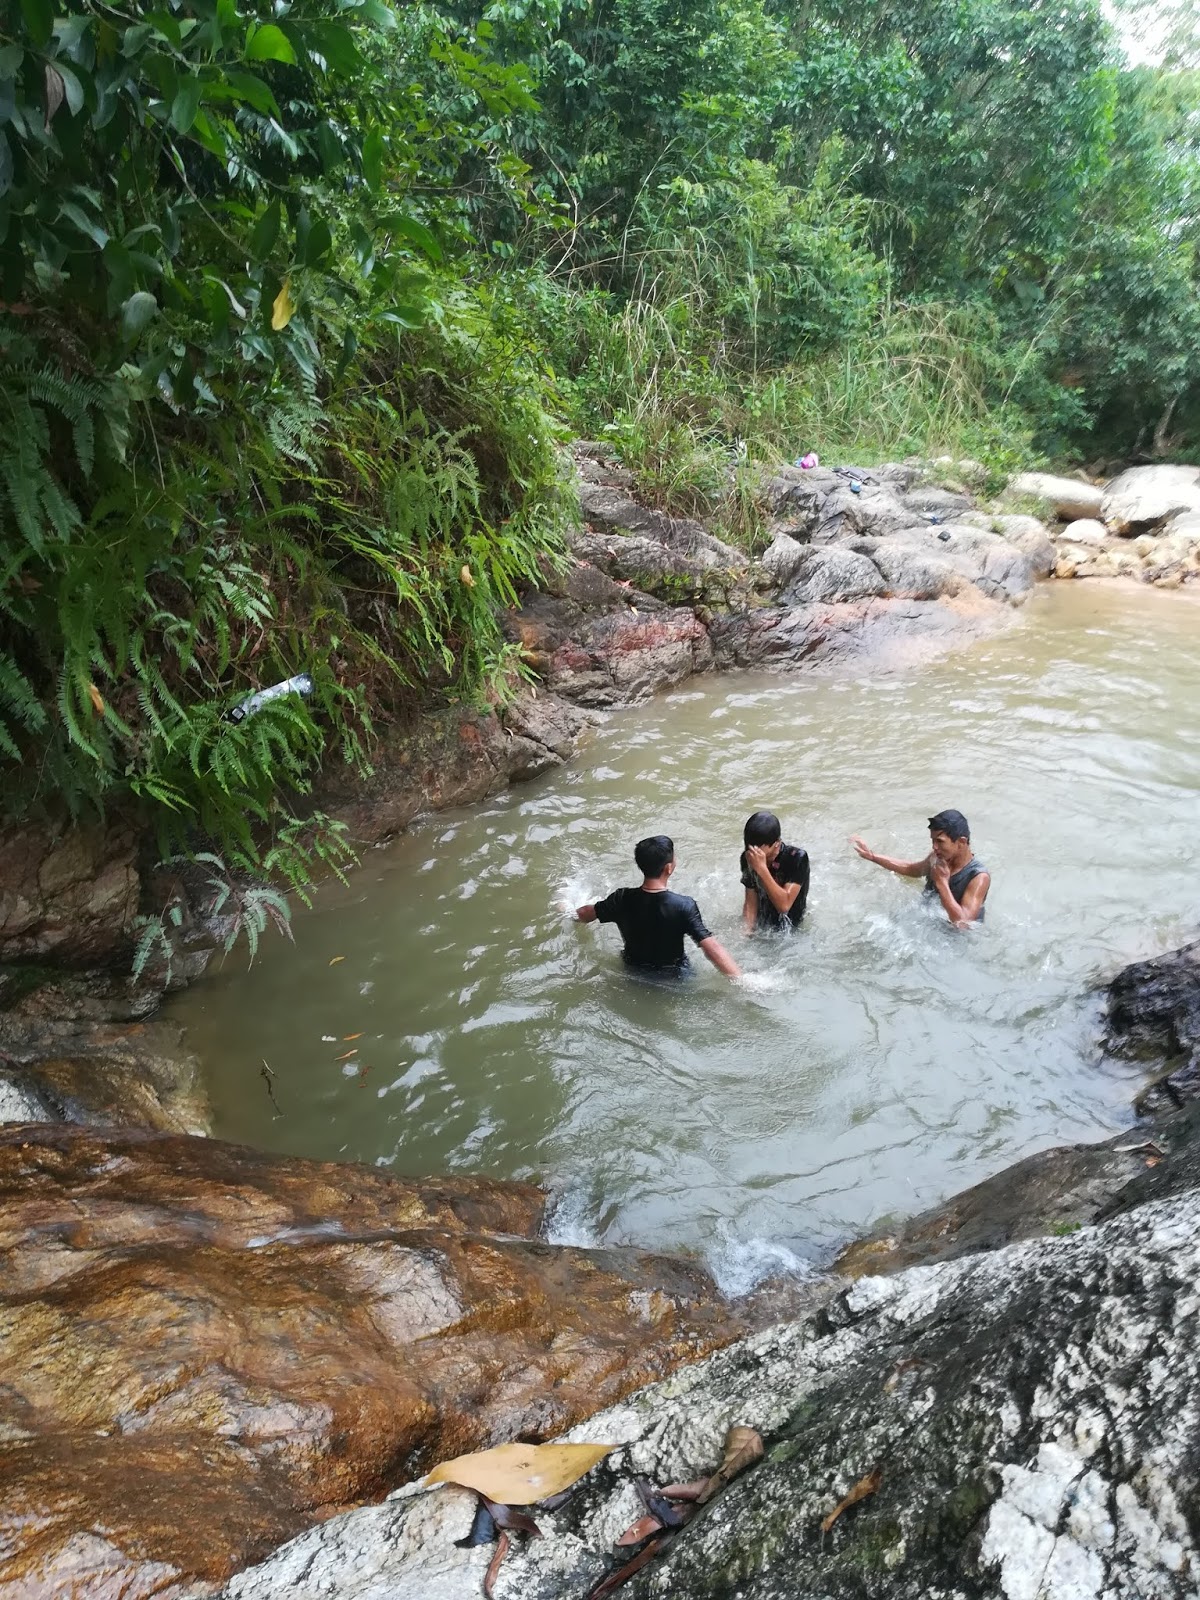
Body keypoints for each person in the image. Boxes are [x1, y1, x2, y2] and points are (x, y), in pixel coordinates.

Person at [575, 835, 741, 977]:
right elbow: (712, 948)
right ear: (668, 868)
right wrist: (741, 980)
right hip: (675, 977)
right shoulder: (684, 905)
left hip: (633, 971)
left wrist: (567, 910)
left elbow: (584, 914)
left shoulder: (621, 898)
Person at [850, 808, 990, 927]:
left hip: (951, 939)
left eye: (939, 841)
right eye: (932, 840)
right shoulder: (938, 857)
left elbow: (964, 924)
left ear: (961, 842)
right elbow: (911, 869)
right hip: (924, 920)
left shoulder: (978, 877)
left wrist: (942, 883)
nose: (934, 847)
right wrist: (873, 856)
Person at [740, 811, 810, 933]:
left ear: (777, 844)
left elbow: (784, 906)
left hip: (792, 929)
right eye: (750, 850)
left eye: (760, 853)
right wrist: (745, 933)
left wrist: (761, 868)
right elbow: (751, 902)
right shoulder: (748, 857)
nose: (754, 856)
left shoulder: (796, 858)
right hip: (763, 923)